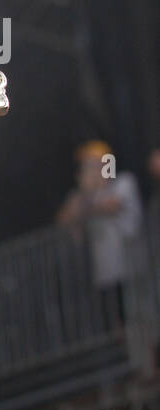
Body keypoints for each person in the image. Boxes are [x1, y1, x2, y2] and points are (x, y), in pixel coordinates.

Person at [56, 139, 143, 327]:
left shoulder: (123, 182)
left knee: (141, 319)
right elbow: (64, 219)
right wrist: (85, 194)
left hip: (132, 267)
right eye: (87, 166)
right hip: (104, 274)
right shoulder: (82, 195)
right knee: (117, 323)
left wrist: (88, 200)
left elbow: (112, 204)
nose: (91, 170)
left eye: (95, 165)